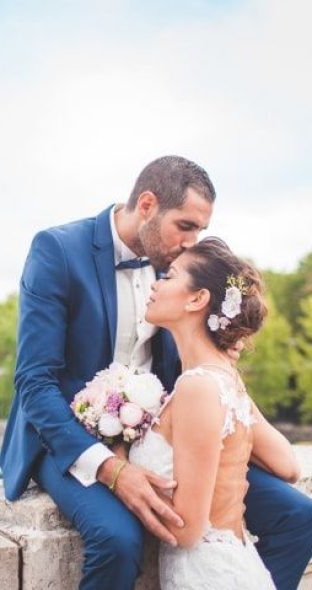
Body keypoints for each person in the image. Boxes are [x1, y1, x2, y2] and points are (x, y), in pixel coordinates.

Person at [0, 155, 312, 590]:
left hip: (164, 436)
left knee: (299, 516)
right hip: (67, 437)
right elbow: (35, 382)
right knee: (116, 538)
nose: (192, 242)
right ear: (147, 205)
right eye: (185, 226)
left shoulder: (180, 273)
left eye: (200, 230)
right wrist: (111, 469)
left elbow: (196, 367)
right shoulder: (57, 251)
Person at [129, 237, 305, 588]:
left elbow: (188, 530)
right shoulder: (226, 380)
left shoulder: (197, 387)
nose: (156, 283)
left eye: (170, 276)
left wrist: (126, 485)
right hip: (237, 564)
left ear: (197, 299)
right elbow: (288, 466)